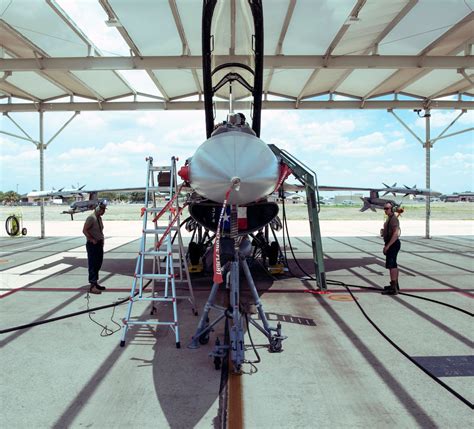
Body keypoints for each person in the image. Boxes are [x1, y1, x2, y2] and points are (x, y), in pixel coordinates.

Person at [83, 201, 107, 294]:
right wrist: (91, 239)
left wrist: (102, 241)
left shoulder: (99, 218)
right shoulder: (91, 218)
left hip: (99, 244)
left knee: (98, 264)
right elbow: (84, 230)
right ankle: (92, 286)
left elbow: (100, 231)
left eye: (104, 209)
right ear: (97, 208)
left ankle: (95, 282)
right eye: (102, 209)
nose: (103, 211)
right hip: (93, 245)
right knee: (93, 265)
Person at [381, 202, 401, 295]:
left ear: (392, 209)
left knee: (392, 265)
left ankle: (393, 288)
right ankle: (395, 285)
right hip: (391, 243)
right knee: (393, 265)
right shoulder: (389, 218)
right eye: (384, 208)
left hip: (392, 244)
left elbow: (395, 234)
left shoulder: (393, 219)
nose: (385, 210)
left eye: (387, 208)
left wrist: (387, 246)